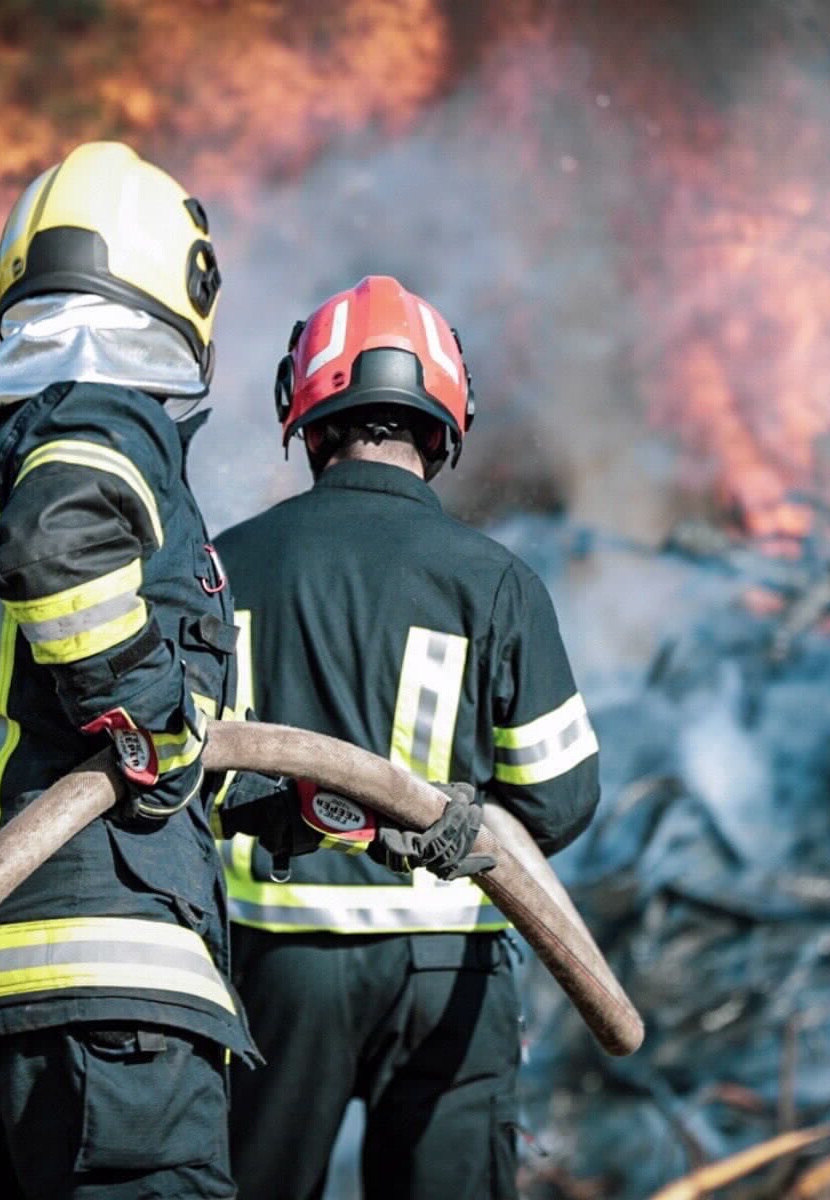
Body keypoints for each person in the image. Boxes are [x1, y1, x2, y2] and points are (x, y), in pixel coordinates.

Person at [0, 140, 252, 1200]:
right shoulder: (101, 412)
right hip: (95, 984)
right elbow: (58, 541)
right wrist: (150, 733)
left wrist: (273, 790)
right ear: (186, 284)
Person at [214, 275, 602, 1199]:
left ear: (305, 419)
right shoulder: (496, 582)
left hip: (272, 966)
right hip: (446, 973)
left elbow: (180, 771)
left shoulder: (224, 566)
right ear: (443, 426)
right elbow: (562, 796)